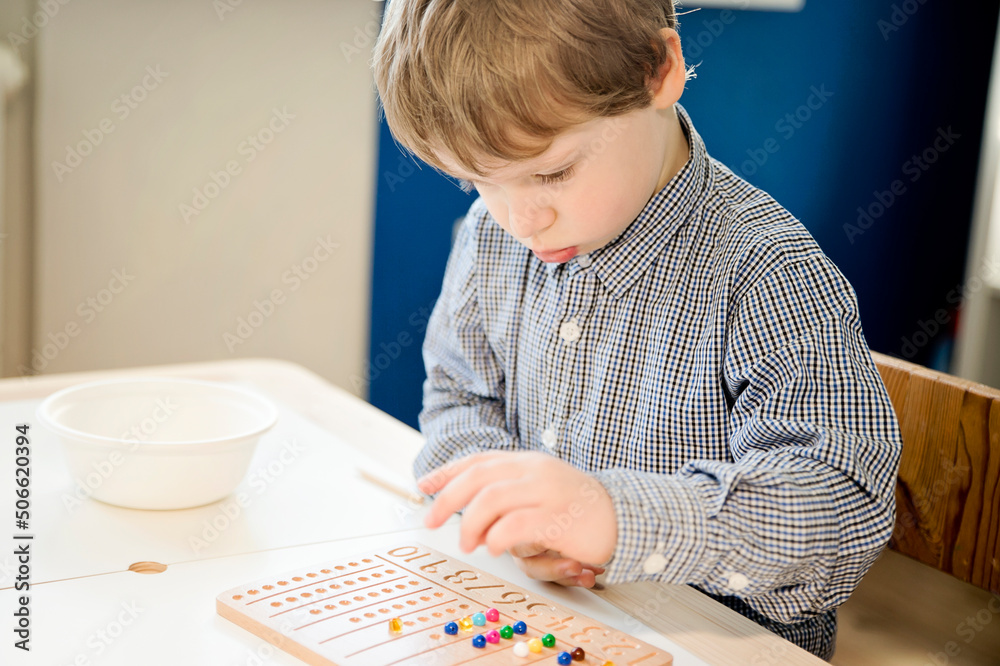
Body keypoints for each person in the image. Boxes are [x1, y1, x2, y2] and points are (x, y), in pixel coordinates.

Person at [372, 0, 902, 659]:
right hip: (547, 620)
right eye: (476, 182)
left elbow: (839, 508)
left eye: (552, 172)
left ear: (661, 70)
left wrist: (615, 519)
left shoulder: (768, 274)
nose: (520, 219)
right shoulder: (492, 238)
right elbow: (457, 400)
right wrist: (515, 516)